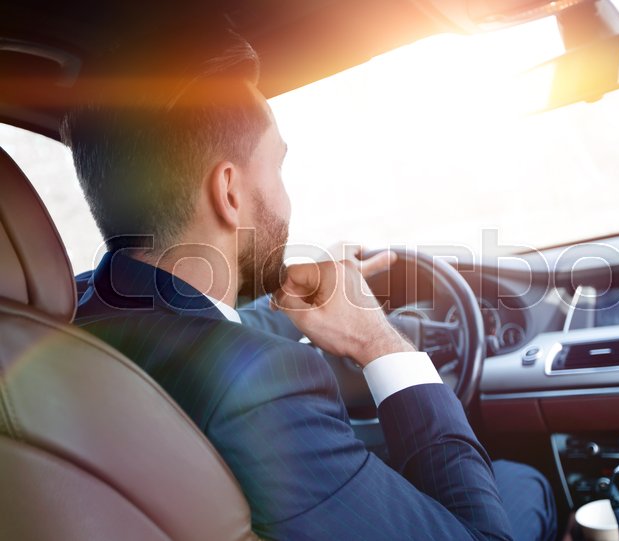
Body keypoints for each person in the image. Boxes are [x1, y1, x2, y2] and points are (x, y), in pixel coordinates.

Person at [65, 30, 556, 541]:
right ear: (230, 192)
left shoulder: (70, 311)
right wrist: (379, 341)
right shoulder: (263, 390)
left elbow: (186, 324)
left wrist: (284, 306)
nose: (285, 194)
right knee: (523, 482)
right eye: (277, 164)